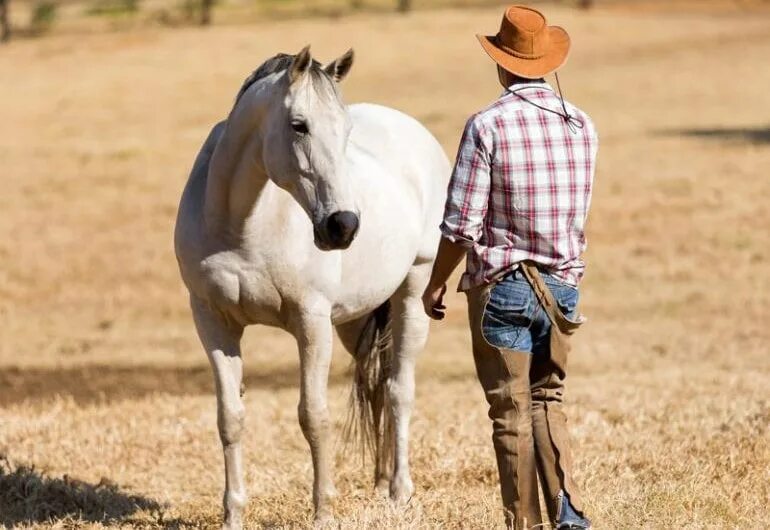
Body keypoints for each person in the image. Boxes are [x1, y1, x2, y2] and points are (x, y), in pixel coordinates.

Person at [421, 5, 598, 530]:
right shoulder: (582, 124)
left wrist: (437, 283)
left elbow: (461, 225)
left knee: (510, 411)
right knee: (548, 400)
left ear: (501, 65)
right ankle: (567, 514)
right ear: (548, 63)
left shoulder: (486, 125)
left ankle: (523, 525)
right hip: (562, 290)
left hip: (504, 291)